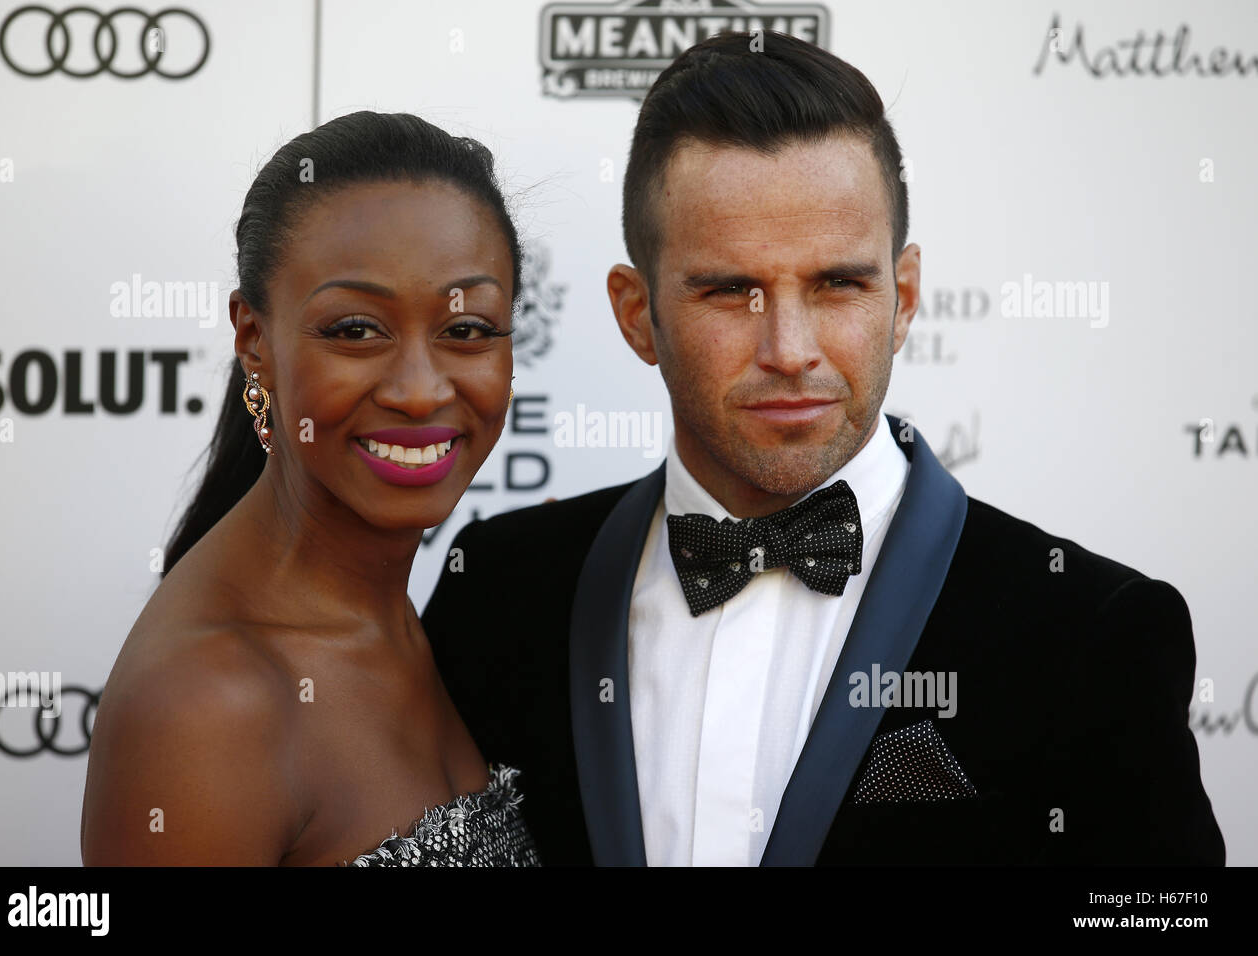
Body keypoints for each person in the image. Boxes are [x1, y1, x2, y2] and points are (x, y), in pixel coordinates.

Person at [422, 32, 1226, 866]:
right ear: (636, 315)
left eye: (838, 283)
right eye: (731, 291)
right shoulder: (500, 593)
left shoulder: (1091, 632)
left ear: (904, 298)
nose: (790, 349)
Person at [80, 111, 540, 867]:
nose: (421, 392)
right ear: (254, 341)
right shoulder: (211, 703)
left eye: (466, 331)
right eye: (356, 330)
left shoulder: (407, 621)